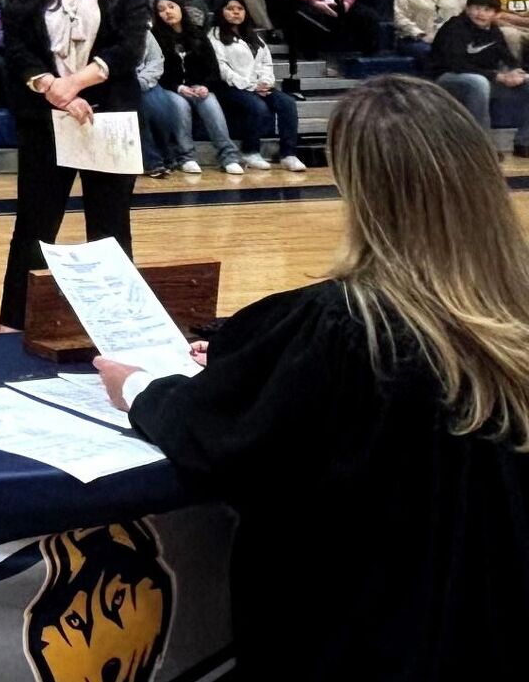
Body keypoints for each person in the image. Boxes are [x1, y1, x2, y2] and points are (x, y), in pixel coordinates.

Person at [93, 75, 529, 680]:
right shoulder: (509, 318)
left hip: (364, 642)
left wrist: (140, 387)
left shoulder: (348, 328)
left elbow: (221, 438)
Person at [0, 0, 149, 331]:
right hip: (44, 118)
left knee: (110, 224)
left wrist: (76, 83)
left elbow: (128, 49)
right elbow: (15, 54)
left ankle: (117, 323)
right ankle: (13, 322)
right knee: (34, 223)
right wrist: (51, 88)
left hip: (108, 116)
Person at [140, 0, 243, 177]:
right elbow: (158, 71)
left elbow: (213, 68)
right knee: (180, 105)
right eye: (161, 10)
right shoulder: (156, 36)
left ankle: (229, 156)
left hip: (198, 86)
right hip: (171, 87)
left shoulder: (198, 34)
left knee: (210, 102)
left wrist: (204, 86)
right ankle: (187, 157)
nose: (167, 12)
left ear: (181, 8)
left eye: (171, 7)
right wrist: (179, 88)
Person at [210, 0, 306, 172]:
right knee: (257, 106)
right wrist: (250, 86)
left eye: (240, 9)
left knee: (287, 103)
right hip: (229, 87)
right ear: (221, 12)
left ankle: (289, 154)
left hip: (258, 85)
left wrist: (266, 82)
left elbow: (266, 63)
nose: (236, 12)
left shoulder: (254, 36)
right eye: (230, 9)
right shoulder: (214, 36)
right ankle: (250, 151)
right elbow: (221, 68)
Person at [428, 0, 529, 157]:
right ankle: (481, 145)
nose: (480, 14)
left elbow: (506, 57)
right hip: (447, 79)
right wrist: (498, 76)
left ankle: (524, 142)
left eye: (487, 10)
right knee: (478, 82)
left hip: (485, 77)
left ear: (496, 14)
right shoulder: (454, 27)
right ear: (467, 9)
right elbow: (456, 64)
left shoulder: (494, 31)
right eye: (476, 8)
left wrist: (515, 71)